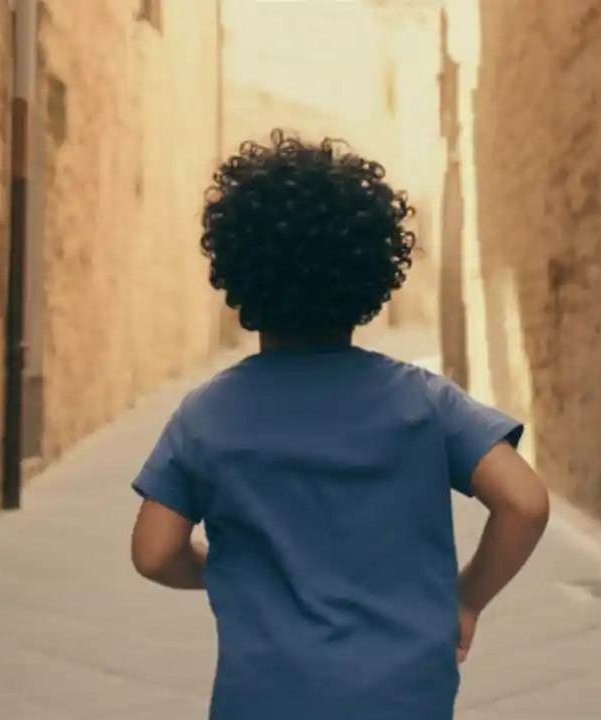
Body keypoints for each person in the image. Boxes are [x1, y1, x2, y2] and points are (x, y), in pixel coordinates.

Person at [129, 129, 549, 720]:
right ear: (371, 278)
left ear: (238, 277)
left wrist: (226, 574)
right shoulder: (425, 402)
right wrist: (468, 597)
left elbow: (153, 552)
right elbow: (525, 503)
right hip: (406, 697)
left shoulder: (207, 414)